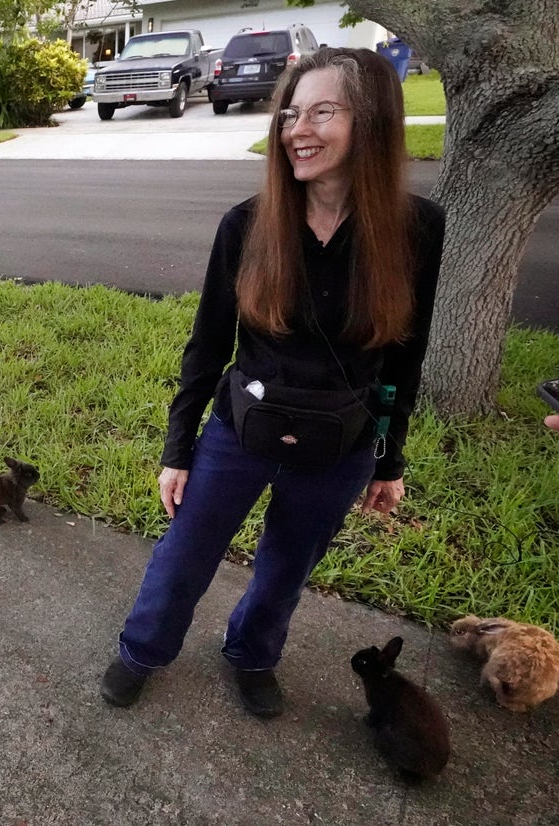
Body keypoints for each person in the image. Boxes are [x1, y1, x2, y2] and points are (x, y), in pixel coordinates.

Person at [100, 47, 445, 718]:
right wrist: (179, 449)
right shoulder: (248, 224)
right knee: (186, 553)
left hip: (340, 443)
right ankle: (143, 649)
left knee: (287, 569)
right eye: (291, 113)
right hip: (242, 427)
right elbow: (206, 346)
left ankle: (253, 654)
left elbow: (406, 357)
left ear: (371, 122)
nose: (297, 130)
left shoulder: (417, 230)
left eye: (322, 112)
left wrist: (389, 459)